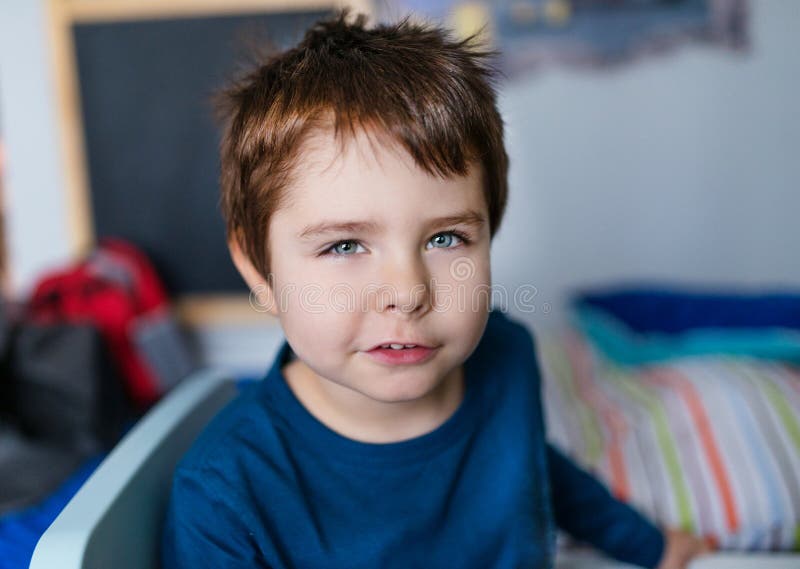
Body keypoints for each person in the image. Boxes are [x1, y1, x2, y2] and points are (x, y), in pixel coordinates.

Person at [161, 11, 711, 569]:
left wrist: (654, 545)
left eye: (446, 238)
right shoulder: (225, 494)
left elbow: (533, 470)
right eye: (346, 245)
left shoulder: (506, 355)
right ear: (260, 272)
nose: (407, 292)